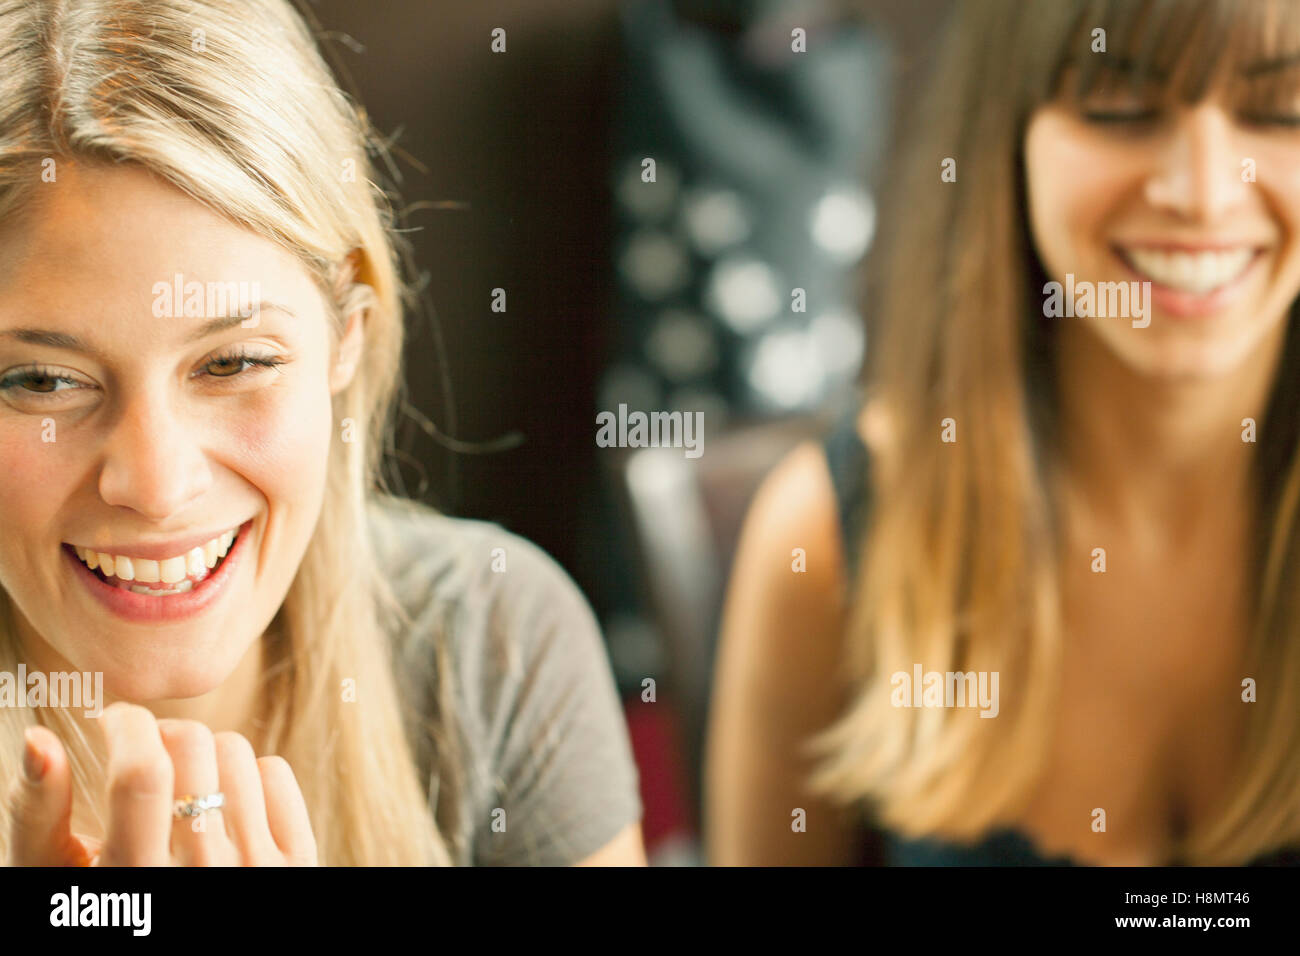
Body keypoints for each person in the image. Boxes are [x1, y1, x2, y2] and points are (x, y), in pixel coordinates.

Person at [0, 0, 644, 867]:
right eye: (42, 382)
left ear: (348, 335)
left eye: (232, 364)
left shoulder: (491, 643)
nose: (156, 485)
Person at [707, 0, 1300, 866]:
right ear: (1004, 132)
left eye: (1282, 111)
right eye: (1120, 110)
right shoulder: (826, 537)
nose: (1202, 193)